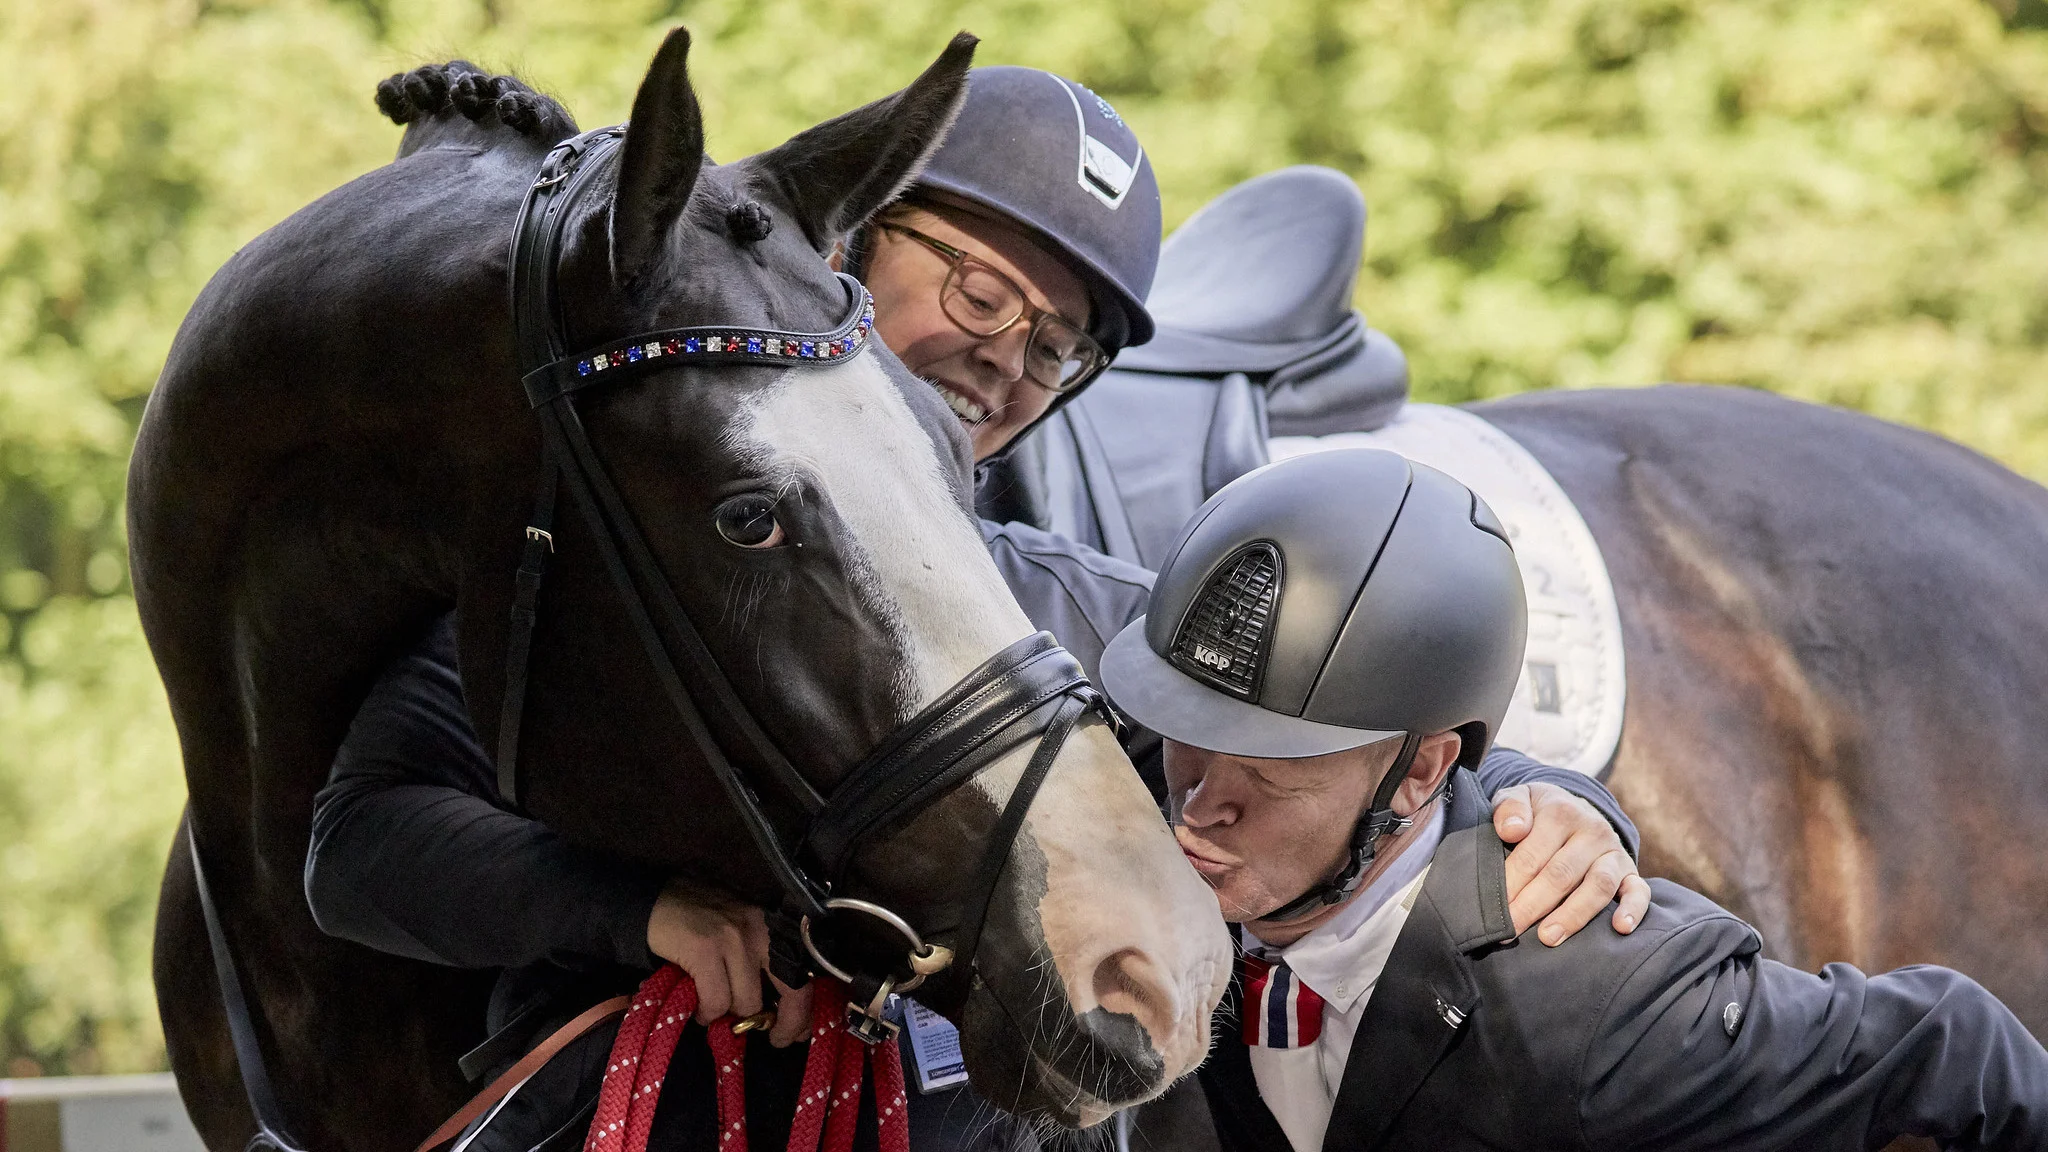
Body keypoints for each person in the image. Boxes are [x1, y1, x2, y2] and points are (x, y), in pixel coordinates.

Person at [305, 65, 1651, 1147]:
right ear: (845, 247)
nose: (1008, 354)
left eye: (1056, 344)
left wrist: (1555, 801)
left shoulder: (1056, 604)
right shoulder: (630, 550)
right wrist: (643, 908)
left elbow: (1312, 737)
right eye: (978, 287)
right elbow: (364, 842)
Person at [1096, 446, 2048, 1151]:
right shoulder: (1161, 794)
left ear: (1421, 770)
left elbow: (1952, 1048)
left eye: (1270, 773)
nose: (1201, 806)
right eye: (1193, 739)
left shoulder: (1615, 1008)